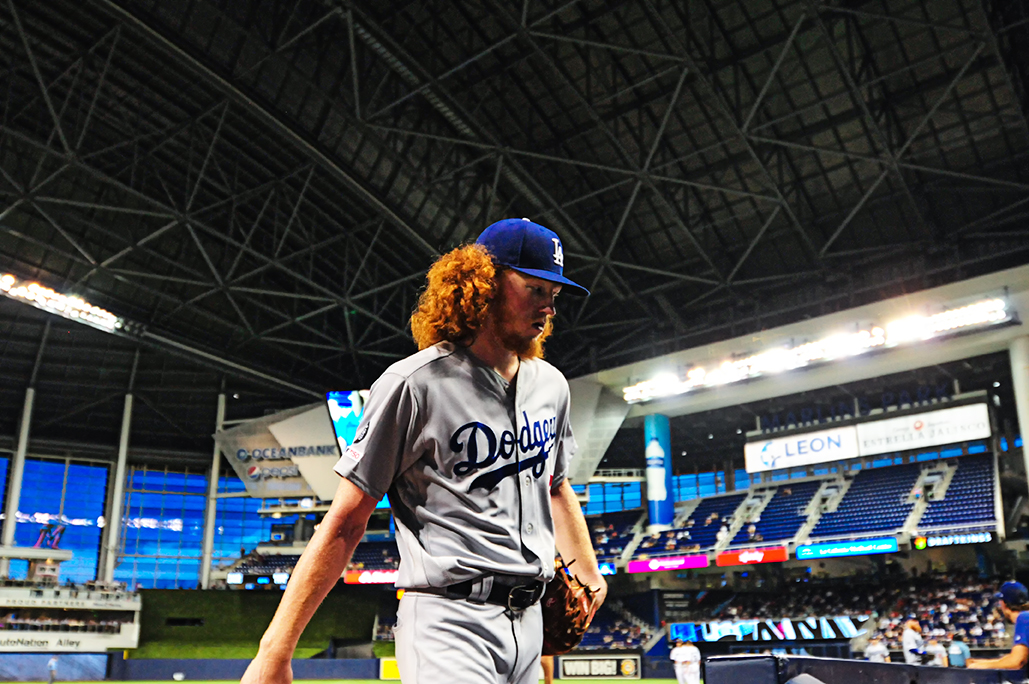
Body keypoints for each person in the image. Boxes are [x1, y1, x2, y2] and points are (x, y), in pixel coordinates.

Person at [239, 218, 606, 684]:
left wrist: (590, 574)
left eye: (554, 294)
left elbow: (554, 485)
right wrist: (275, 650)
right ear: (482, 285)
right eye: (535, 289)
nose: (549, 307)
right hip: (450, 623)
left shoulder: (551, 386)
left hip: (530, 624)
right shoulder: (413, 384)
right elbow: (347, 521)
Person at [967, 581, 1029, 670]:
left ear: (1003, 603)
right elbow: (1016, 657)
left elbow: (1017, 661)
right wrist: (981, 662)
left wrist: (978, 666)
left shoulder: (1023, 618)